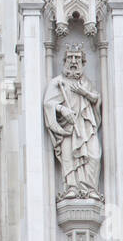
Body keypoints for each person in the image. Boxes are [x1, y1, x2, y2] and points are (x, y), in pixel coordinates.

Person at [43, 46, 102, 198]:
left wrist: (85, 93)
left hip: (85, 126)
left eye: (77, 58)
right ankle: (72, 188)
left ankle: (90, 189)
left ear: (82, 62)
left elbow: (96, 99)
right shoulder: (58, 82)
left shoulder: (85, 82)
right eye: (70, 58)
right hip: (68, 128)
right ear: (64, 61)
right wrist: (63, 110)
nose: (74, 61)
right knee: (69, 156)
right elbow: (48, 104)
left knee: (94, 155)